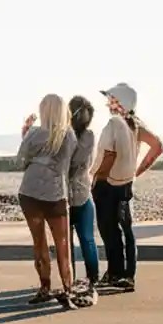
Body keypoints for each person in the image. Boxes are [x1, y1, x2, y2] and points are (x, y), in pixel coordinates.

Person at [92, 83, 163, 292]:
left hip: (107, 183)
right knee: (123, 229)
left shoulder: (115, 125)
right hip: (125, 183)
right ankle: (123, 274)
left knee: (109, 229)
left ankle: (118, 273)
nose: (108, 103)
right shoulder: (136, 125)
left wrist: (96, 179)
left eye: (111, 99)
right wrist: (135, 172)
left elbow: (108, 155)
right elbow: (158, 147)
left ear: (120, 102)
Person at [17, 94, 78, 310]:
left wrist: (25, 135)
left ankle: (44, 288)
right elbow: (66, 166)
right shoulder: (69, 135)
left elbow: (20, 159)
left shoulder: (34, 133)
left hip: (30, 190)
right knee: (63, 245)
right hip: (55, 193)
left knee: (39, 242)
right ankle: (68, 289)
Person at [67, 96, 100, 307]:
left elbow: (67, 164)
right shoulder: (89, 137)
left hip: (65, 194)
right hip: (83, 191)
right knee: (87, 238)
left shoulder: (65, 136)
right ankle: (92, 277)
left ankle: (68, 278)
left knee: (66, 241)